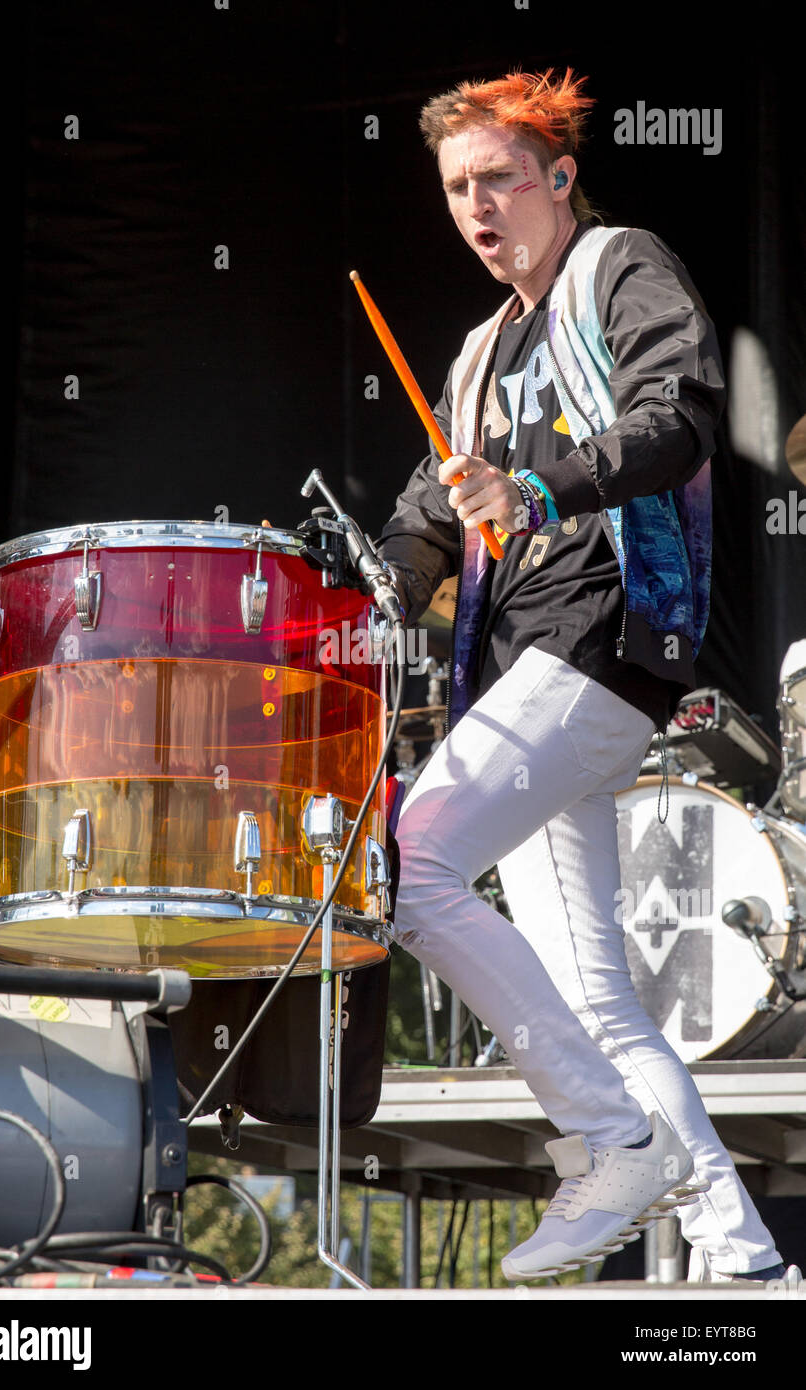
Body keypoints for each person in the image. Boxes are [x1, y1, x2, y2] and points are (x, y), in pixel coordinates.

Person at [376, 67, 795, 1283]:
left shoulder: (617, 265)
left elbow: (675, 416)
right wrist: (374, 586)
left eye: (499, 177)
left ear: (558, 177)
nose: (477, 204)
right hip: (522, 673)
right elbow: (426, 513)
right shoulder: (474, 356)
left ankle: (610, 1140)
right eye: (456, 186)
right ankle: (746, 1262)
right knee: (598, 998)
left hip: (602, 641)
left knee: (414, 860)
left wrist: (536, 488)